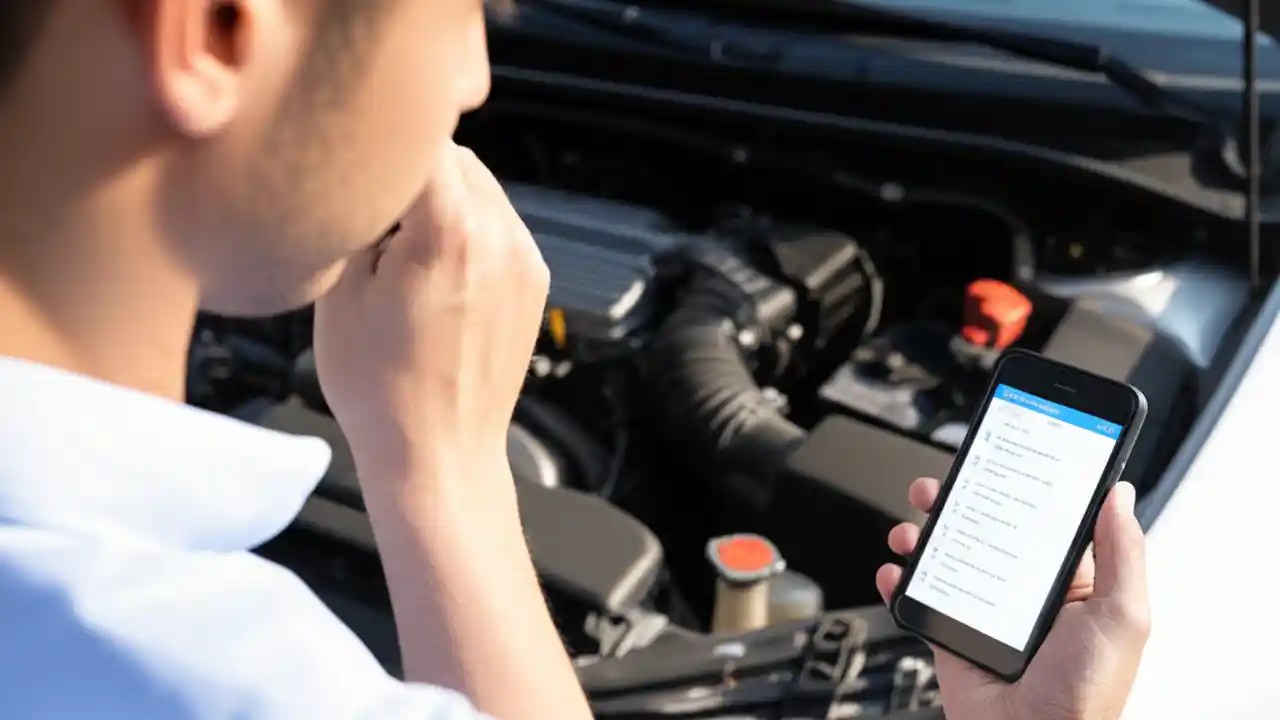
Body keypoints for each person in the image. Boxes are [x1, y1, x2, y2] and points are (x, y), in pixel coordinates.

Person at [0, 1, 1149, 719]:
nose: (473, 80)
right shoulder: (208, 679)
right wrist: (442, 471)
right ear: (215, 27)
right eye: (462, 10)